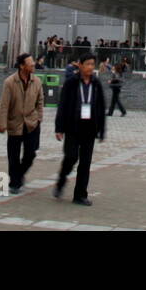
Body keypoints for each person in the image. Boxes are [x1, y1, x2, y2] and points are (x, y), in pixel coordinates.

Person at [54, 52, 106, 206]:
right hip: (72, 127)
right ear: (80, 65)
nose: (90, 67)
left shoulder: (96, 84)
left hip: (89, 128)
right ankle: (61, 180)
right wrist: (59, 128)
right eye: (88, 64)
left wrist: (102, 129)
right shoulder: (71, 83)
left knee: (85, 163)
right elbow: (62, 105)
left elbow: (101, 107)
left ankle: (80, 194)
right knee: (71, 157)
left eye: (92, 64)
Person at [0, 52, 44, 195]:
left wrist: (39, 118)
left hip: (31, 123)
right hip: (15, 122)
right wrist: (2, 123)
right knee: (13, 155)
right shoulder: (10, 82)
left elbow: (40, 101)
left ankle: (19, 174)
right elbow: (4, 104)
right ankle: (14, 183)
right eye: (30, 64)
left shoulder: (36, 81)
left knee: (31, 153)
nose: (33, 65)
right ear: (22, 66)